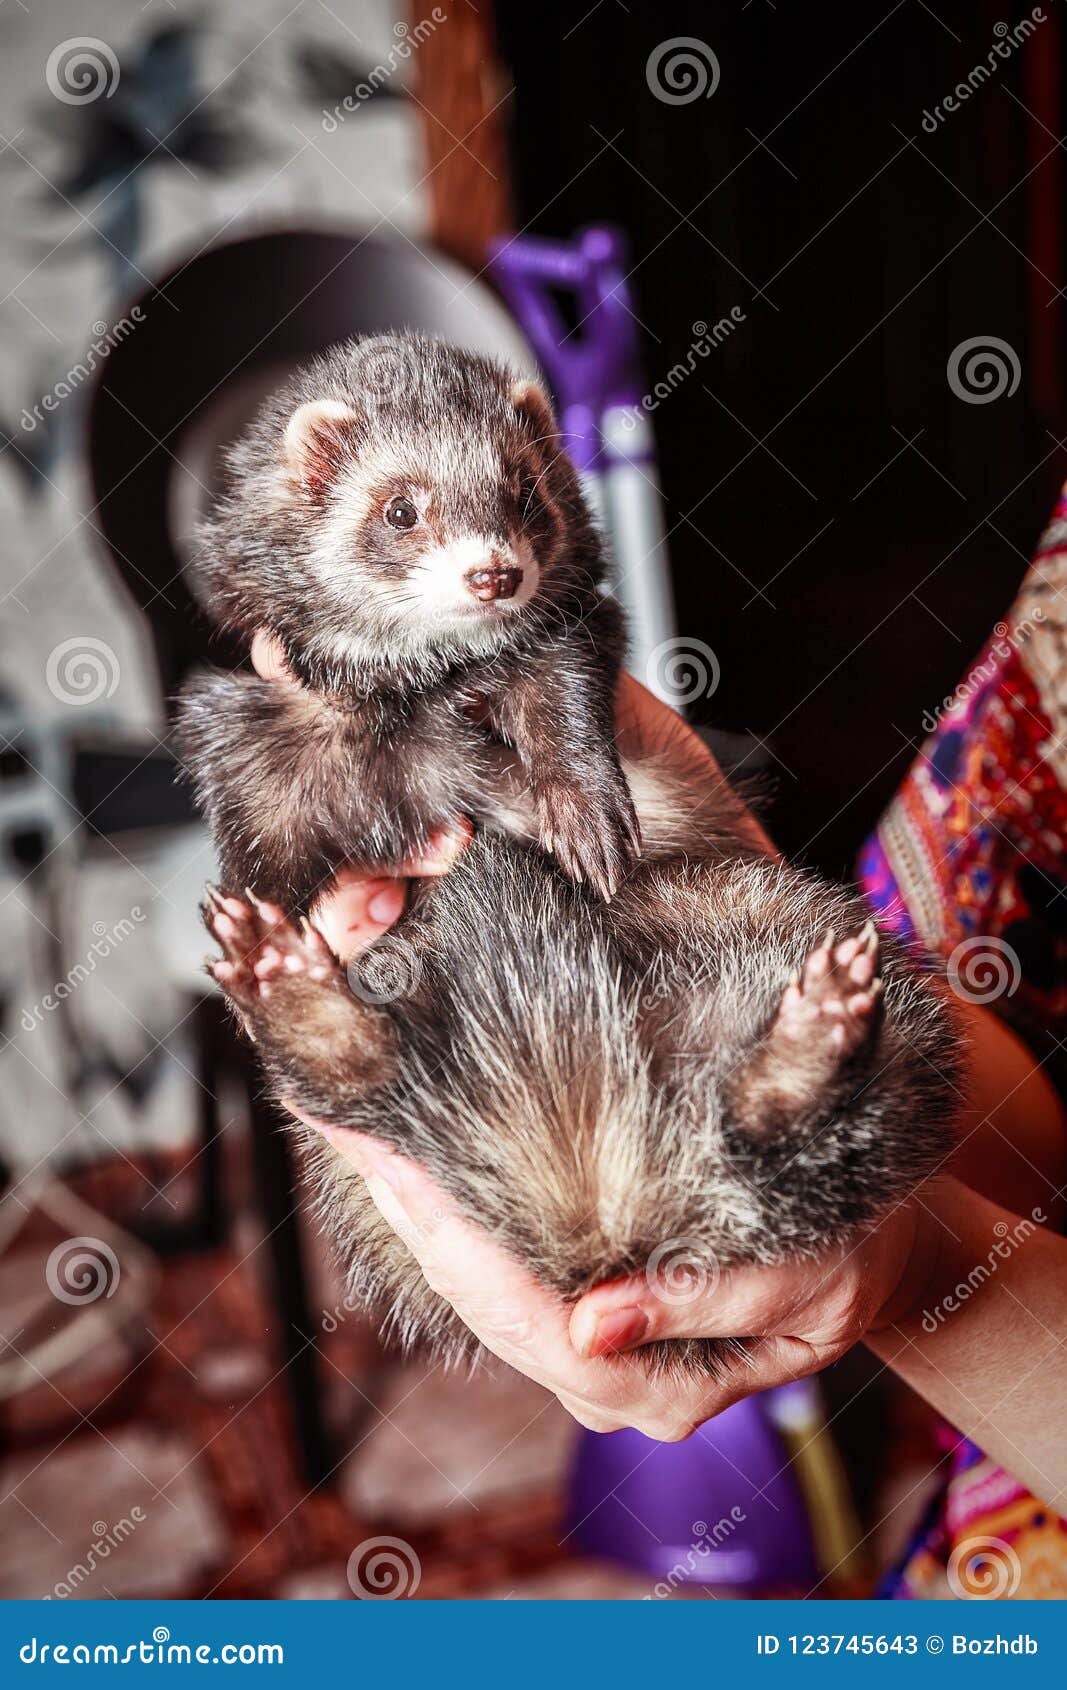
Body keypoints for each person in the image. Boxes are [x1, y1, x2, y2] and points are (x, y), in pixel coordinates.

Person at [249, 485, 1067, 1591]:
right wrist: (711, 844)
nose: (482, 558)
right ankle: (767, 1089)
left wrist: (917, 1264)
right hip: (656, 1067)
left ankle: (757, 1098)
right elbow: (1016, 1092)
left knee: (581, 1146)